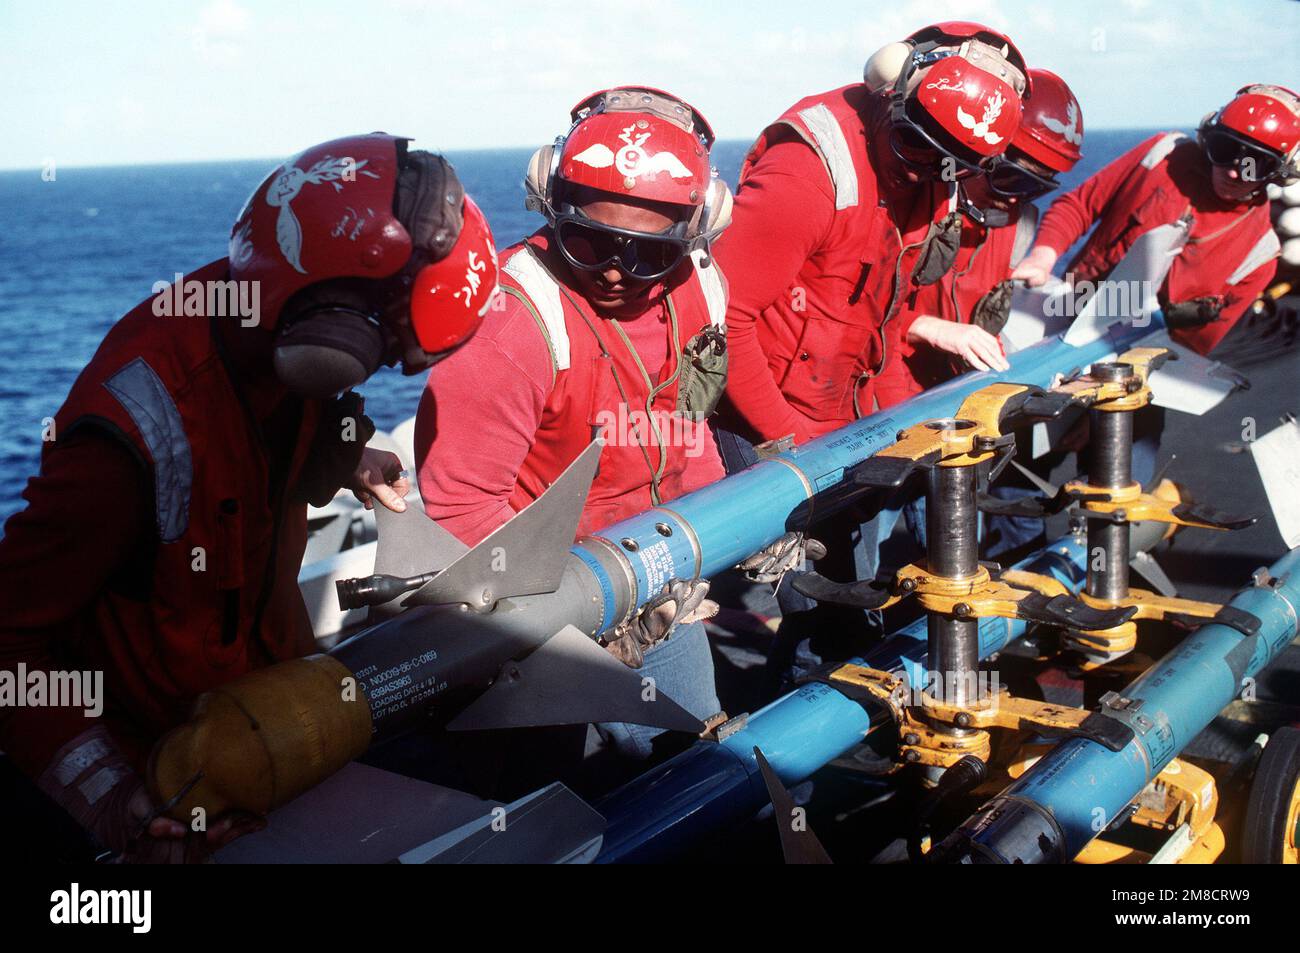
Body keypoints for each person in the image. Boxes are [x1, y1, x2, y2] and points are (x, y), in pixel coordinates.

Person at [0, 134, 499, 862]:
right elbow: (9, 641)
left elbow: (266, 436)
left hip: (270, 722)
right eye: (383, 350)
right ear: (329, 332)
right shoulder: (128, 442)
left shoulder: (267, 319)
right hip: (166, 776)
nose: (385, 366)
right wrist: (112, 800)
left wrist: (347, 452)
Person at [415, 87, 732, 762]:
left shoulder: (698, 288)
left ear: (697, 230)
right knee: (544, 801)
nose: (616, 269)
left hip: (659, 582)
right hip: (537, 602)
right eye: (588, 242)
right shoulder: (509, 324)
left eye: (648, 253)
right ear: (551, 209)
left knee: (698, 769)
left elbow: (689, 425)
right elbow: (460, 510)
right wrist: (580, 614)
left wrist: (713, 541)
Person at [709, 22, 1030, 687]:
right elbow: (723, 316)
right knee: (806, 590)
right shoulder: (810, 170)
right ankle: (778, 749)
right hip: (763, 408)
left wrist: (932, 335)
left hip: (837, 411)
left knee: (839, 592)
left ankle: (811, 721)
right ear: (892, 91)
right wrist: (789, 442)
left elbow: (883, 299)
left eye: (946, 162)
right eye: (912, 142)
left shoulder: (935, 175)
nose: (919, 168)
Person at [1013, 84, 1296, 484]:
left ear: (1282, 173)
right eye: (1227, 152)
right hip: (1060, 336)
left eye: (1257, 164)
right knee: (1014, 484)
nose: (1236, 172)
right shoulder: (1161, 155)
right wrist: (1043, 255)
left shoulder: (1260, 255)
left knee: (1119, 503)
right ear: (1209, 139)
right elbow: (1079, 205)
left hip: (1139, 385)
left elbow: (1189, 351)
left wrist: (1102, 417)